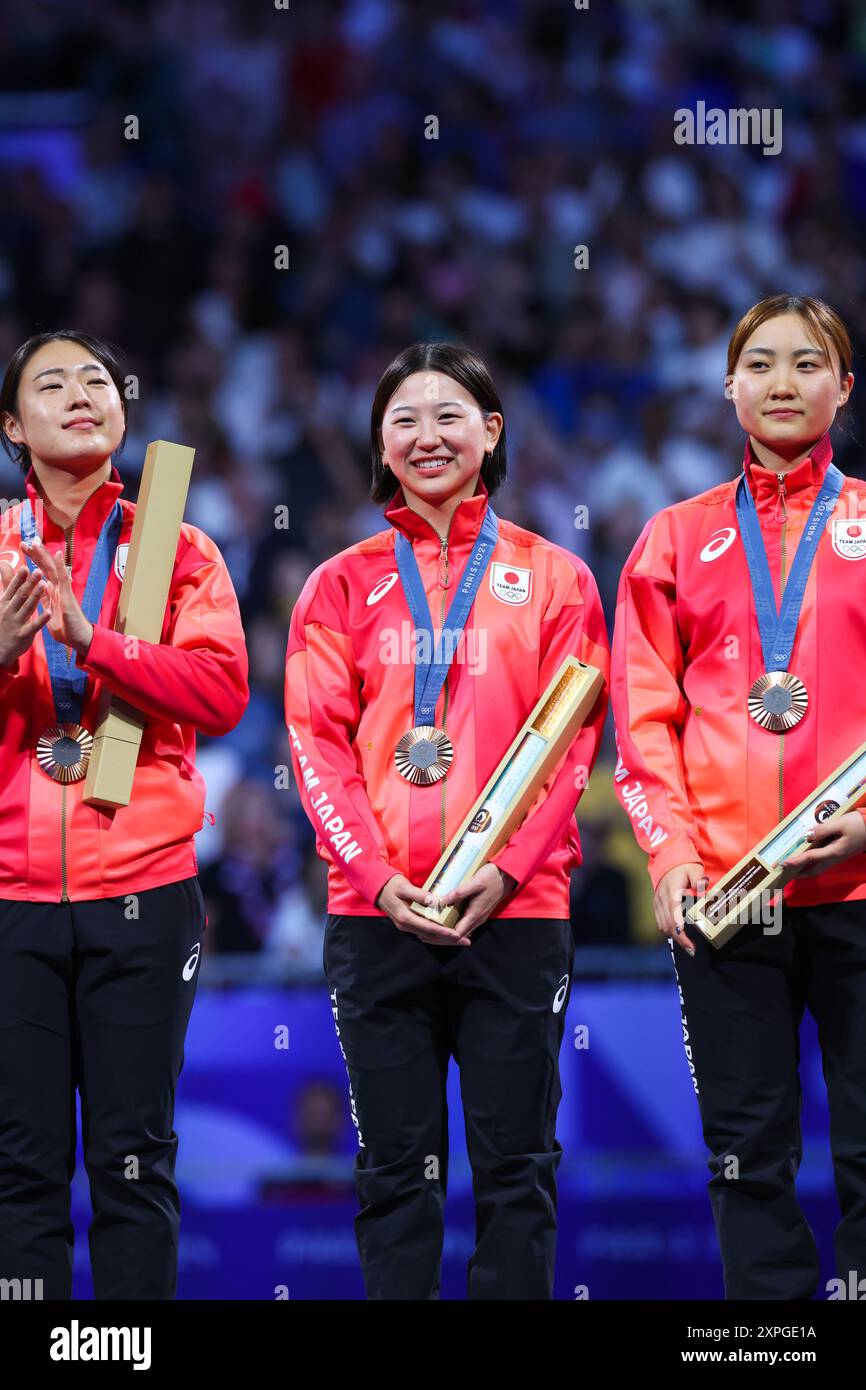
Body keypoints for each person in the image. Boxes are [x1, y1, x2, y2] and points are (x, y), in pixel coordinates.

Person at [285, 341, 609, 1299]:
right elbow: (316, 750)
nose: (426, 436)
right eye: (403, 421)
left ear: (491, 431)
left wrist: (504, 872)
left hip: (516, 914)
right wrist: (380, 880)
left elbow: (571, 753)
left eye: (448, 414)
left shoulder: (556, 578)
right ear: (381, 447)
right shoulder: (337, 585)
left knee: (518, 1172)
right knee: (394, 1171)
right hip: (373, 915)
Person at [611, 293, 866, 1299]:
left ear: (842, 390)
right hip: (728, 892)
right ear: (726, 389)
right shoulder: (673, 538)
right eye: (758, 364)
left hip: (858, 887)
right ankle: (770, 1333)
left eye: (807, 364)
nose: (781, 383)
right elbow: (640, 722)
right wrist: (670, 855)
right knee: (745, 1151)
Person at [0, 330, 249, 1299]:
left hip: (141, 886)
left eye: (97, 381)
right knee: (20, 1166)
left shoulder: (174, 543)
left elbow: (222, 692)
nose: (79, 395)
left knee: (134, 1159)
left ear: (123, 412)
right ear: (12, 425)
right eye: (49, 385)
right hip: (11, 891)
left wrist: (93, 640)